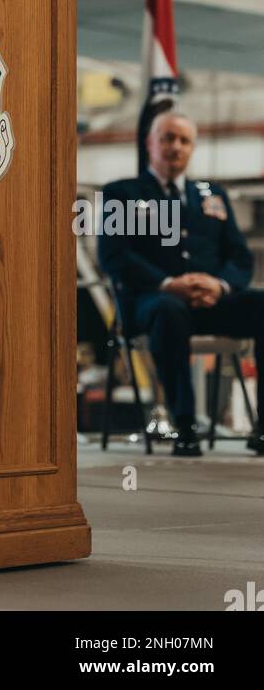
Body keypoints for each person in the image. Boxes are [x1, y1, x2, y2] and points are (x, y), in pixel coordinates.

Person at [99, 110, 264, 458]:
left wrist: (219, 285)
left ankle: (261, 428)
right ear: (150, 143)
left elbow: (240, 257)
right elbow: (115, 257)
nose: (175, 146)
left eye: (184, 140)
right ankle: (185, 425)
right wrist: (169, 282)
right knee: (169, 310)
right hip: (151, 303)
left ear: (192, 147)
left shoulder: (211, 195)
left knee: (260, 304)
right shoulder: (122, 193)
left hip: (208, 302)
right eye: (167, 138)